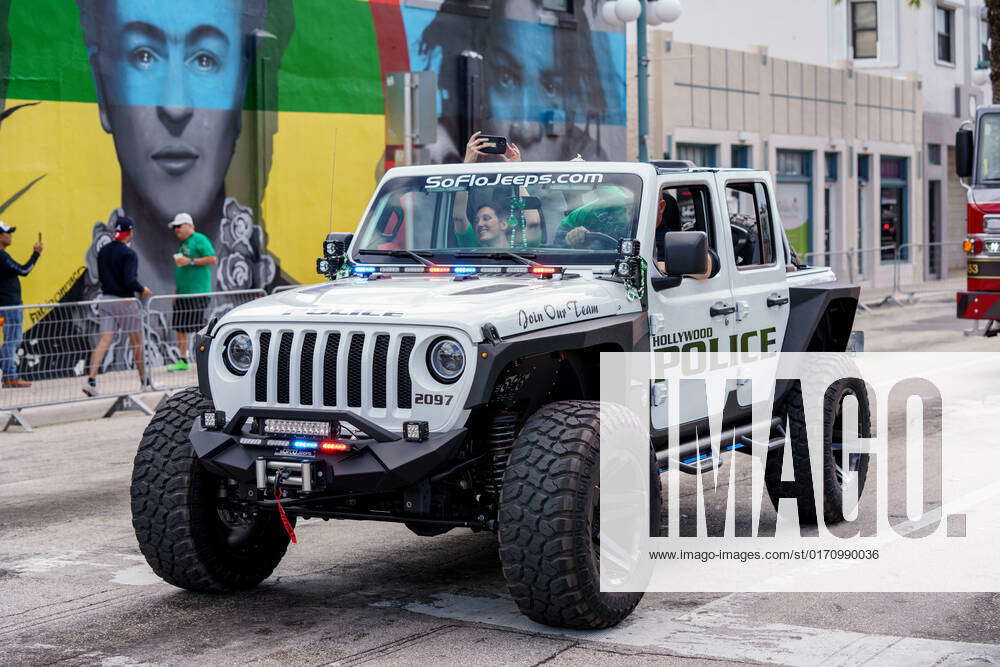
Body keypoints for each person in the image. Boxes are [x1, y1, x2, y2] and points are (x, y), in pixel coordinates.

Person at [76, 0, 294, 295]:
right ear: (102, 90)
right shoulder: (44, 338)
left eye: (205, 60)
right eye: (143, 56)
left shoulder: (286, 315)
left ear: (241, 90)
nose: (176, 107)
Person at [83, 217, 153, 396]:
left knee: (104, 341)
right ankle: (144, 381)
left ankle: (91, 381)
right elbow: (130, 281)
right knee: (137, 342)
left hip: (106, 299)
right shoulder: (129, 254)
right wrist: (142, 289)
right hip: (125, 302)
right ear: (129, 232)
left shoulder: (104, 250)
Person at [168, 213, 217, 372]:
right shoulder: (184, 244)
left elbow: (212, 258)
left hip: (198, 293)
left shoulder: (199, 239)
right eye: (174, 227)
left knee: (199, 326)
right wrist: (176, 292)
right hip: (183, 293)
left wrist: (190, 261)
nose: (176, 230)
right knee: (180, 327)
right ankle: (183, 360)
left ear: (189, 225)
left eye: (179, 226)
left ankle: (212, 355)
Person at [0, 221, 42, 388]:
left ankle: (9, 375)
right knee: (12, 341)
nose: (10, 235)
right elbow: (24, 270)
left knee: (10, 341)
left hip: (6, 308)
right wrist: (36, 254)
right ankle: (10, 377)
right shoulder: (1, 257)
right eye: (7, 232)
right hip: (10, 308)